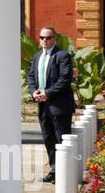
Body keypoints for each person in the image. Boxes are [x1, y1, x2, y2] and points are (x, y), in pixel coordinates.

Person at [27, 26, 75, 184]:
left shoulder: (63, 56)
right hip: (42, 105)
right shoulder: (37, 57)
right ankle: (55, 170)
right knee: (48, 138)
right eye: (42, 38)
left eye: (48, 38)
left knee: (61, 139)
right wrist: (34, 92)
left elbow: (65, 79)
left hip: (59, 105)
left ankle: (64, 172)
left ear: (55, 39)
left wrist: (48, 92)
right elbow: (31, 77)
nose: (44, 41)